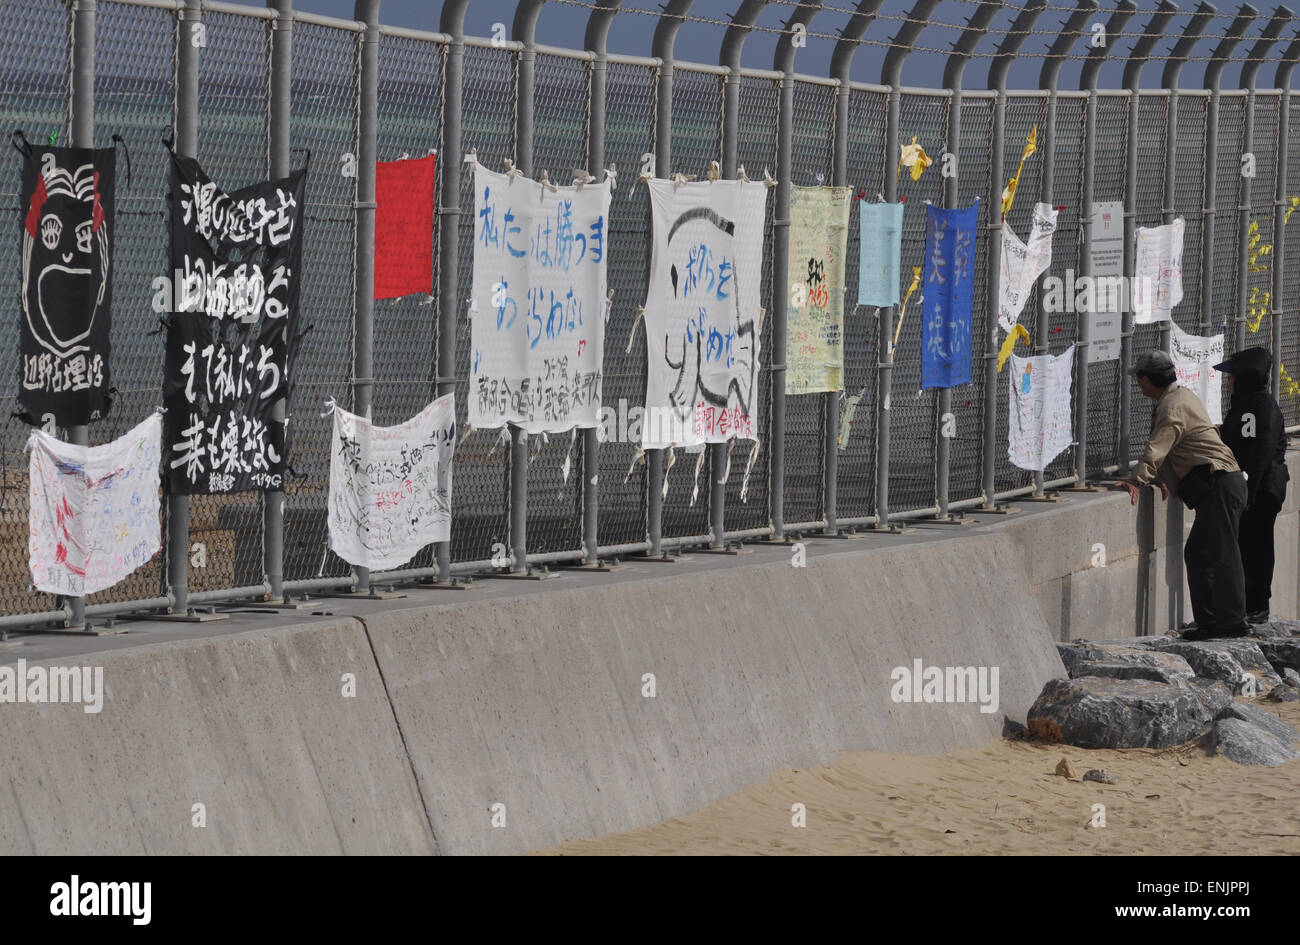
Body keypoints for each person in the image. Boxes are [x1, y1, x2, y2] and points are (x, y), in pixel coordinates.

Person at [1113, 350, 1249, 639]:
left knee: (1218, 554)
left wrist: (1137, 479)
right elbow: (1179, 448)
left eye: (1140, 378)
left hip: (1220, 483)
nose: (1139, 384)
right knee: (1204, 553)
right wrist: (1167, 479)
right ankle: (1215, 623)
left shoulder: (1172, 406)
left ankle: (1232, 624)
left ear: (1148, 381)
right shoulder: (1179, 397)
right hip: (1223, 482)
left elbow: (1159, 447)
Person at [1215, 347, 1289, 625]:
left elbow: (1261, 452)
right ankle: (1247, 604)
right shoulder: (1245, 403)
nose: (1229, 381)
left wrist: (1250, 491)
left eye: (1232, 376)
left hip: (1262, 489)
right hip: (1250, 487)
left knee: (1258, 547)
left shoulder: (1261, 405)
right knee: (1245, 546)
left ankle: (1259, 605)